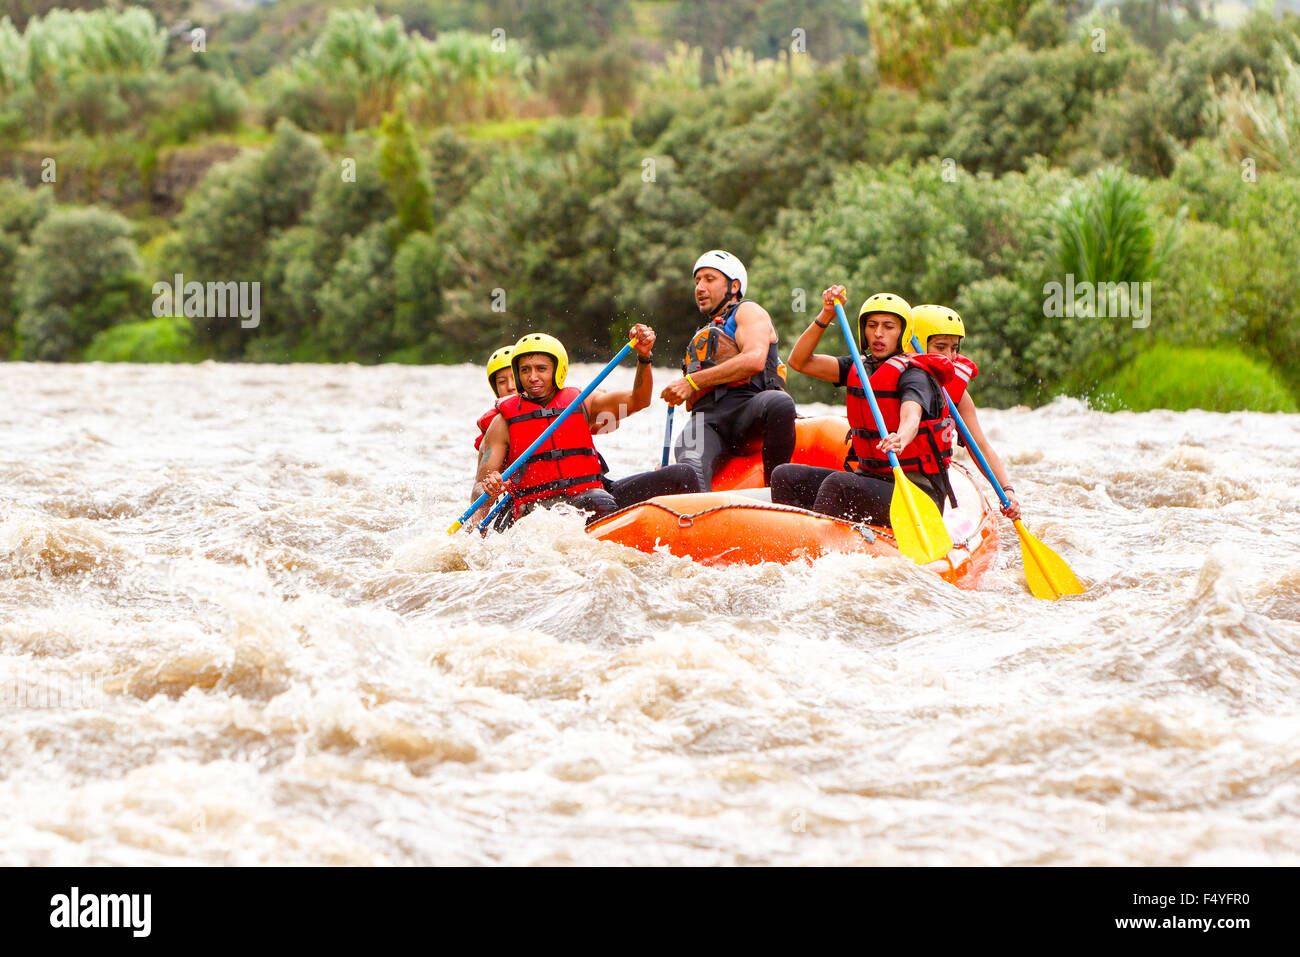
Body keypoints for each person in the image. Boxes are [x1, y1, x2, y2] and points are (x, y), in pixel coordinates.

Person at [770, 287, 957, 525]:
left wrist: (900, 437)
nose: (878, 333)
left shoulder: (914, 374)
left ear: (903, 333)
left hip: (915, 493)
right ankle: (791, 545)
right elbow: (799, 361)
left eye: (888, 327)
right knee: (786, 475)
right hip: (870, 479)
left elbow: (912, 414)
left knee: (838, 485)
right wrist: (827, 313)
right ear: (863, 330)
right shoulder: (858, 367)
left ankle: (816, 551)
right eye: (872, 325)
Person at [475, 327, 699, 525]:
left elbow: (638, 400)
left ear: (557, 369)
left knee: (682, 474)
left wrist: (644, 357)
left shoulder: (582, 403)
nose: (533, 377)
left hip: (594, 492)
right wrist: (489, 488)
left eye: (541, 368)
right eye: (525, 370)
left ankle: (693, 530)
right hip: (541, 512)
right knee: (597, 500)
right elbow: (477, 491)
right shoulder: (502, 423)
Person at [660, 250, 795, 490]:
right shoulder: (702, 334)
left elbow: (754, 359)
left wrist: (691, 382)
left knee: (780, 403)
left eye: (709, 279)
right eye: (697, 281)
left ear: (734, 286)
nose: (700, 287)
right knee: (688, 472)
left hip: (747, 410)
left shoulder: (748, 312)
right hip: (706, 421)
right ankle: (696, 514)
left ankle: (777, 491)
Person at [908, 304, 1021, 521]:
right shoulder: (887, 376)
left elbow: (980, 445)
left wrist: (1007, 490)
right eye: (941, 347)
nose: (950, 356)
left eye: (954, 348)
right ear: (916, 343)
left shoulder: (956, 396)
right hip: (883, 474)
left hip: (926, 483)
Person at [473, 344, 517, 453]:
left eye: (515, 378)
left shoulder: (554, 411)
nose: (510, 387)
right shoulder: (494, 425)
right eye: (502, 382)